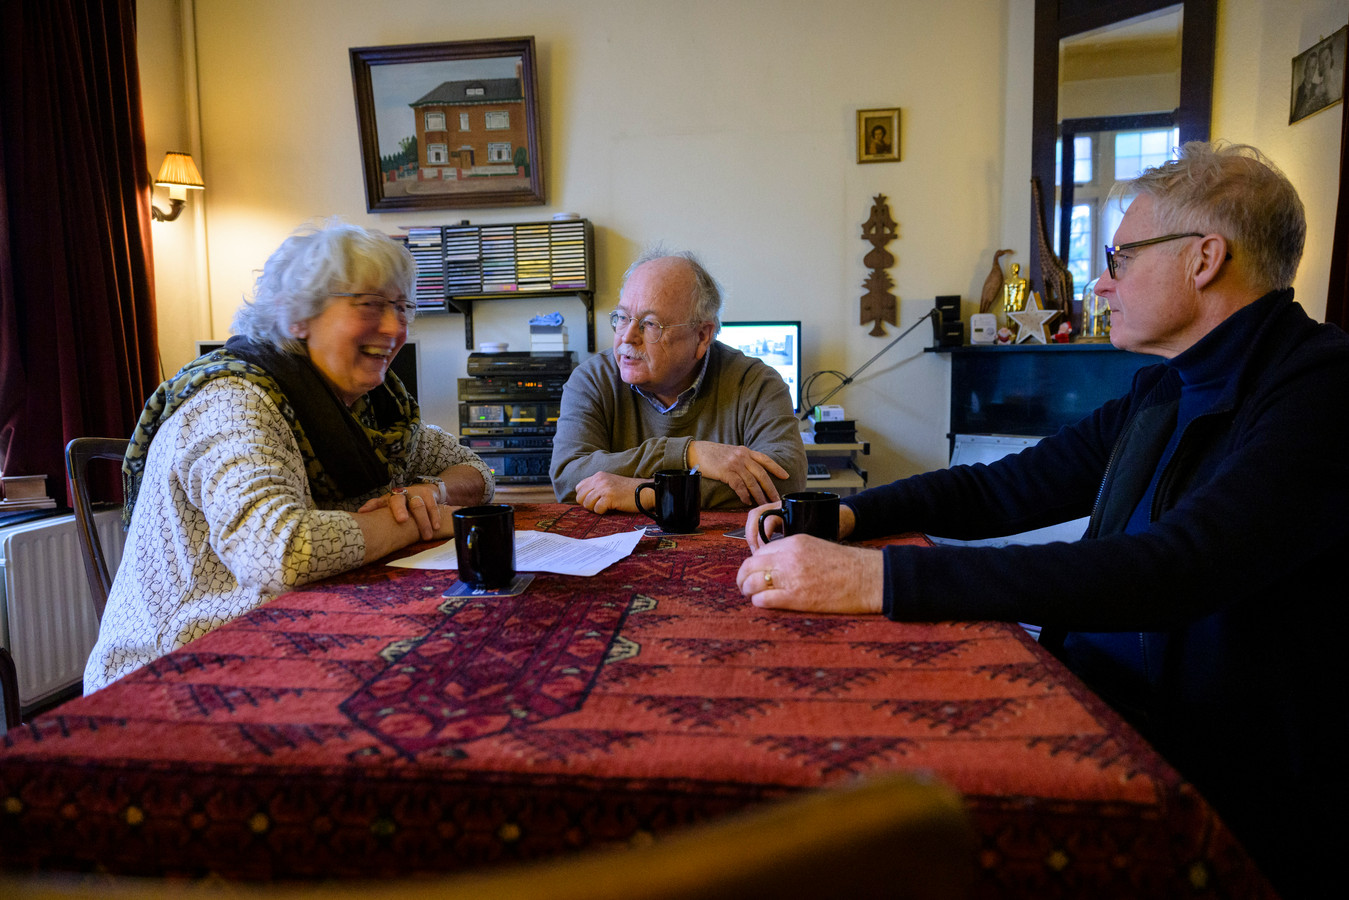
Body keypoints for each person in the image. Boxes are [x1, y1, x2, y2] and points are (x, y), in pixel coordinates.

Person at [737, 142, 1349, 899]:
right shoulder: (1163, 387)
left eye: (1120, 257)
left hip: (1214, 783)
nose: (1100, 281)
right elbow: (1002, 489)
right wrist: (847, 514)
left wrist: (880, 578)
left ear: (1204, 258)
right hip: (1097, 705)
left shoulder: (1321, 390)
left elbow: (1175, 568)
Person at [85, 222, 494, 692]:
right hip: (175, 669)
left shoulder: (373, 410)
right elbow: (281, 551)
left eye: (402, 307)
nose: (394, 328)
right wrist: (418, 520)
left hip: (294, 639)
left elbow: (477, 474)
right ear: (297, 315)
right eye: (370, 304)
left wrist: (430, 492)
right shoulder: (233, 401)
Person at [550, 249, 806, 513]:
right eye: (623, 318)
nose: (627, 337)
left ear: (702, 336)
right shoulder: (591, 380)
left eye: (650, 324)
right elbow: (568, 478)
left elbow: (787, 480)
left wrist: (650, 493)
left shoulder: (755, 382)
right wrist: (688, 454)